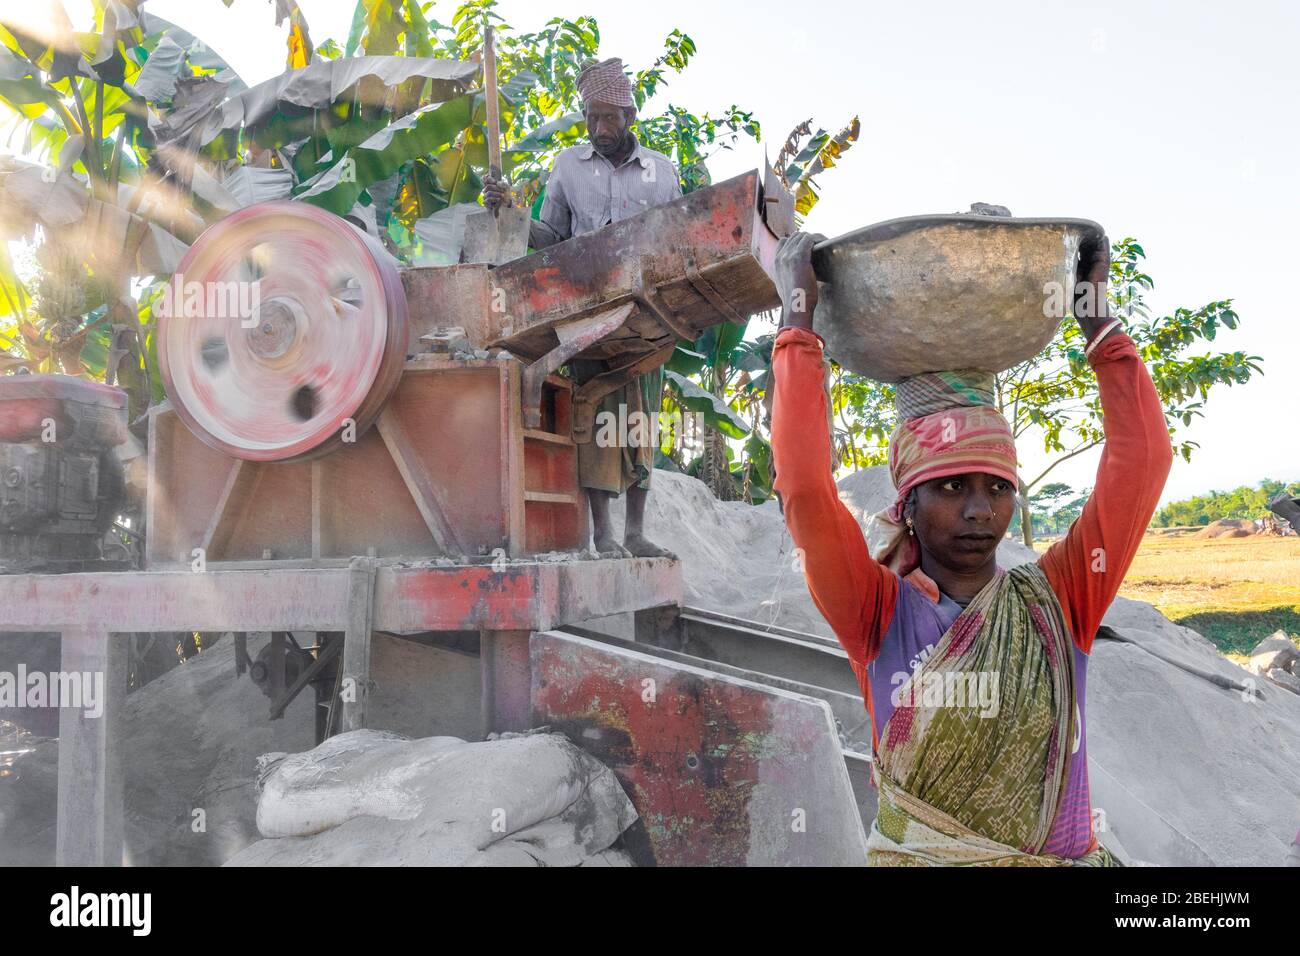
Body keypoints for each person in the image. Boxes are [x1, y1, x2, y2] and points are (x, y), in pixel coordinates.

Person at [769, 230, 1173, 866]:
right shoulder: (875, 612)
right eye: (952, 486)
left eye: (997, 487)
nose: (981, 509)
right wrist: (798, 322)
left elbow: (1142, 464)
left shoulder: (1061, 599)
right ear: (907, 503)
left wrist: (1099, 327)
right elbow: (803, 486)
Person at [483, 57, 678, 558]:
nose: (598, 128)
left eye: (608, 117)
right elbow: (551, 238)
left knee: (642, 422)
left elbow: (676, 241)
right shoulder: (568, 167)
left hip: (646, 317)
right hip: (589, 317)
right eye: (591, 116)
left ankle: (636, 532)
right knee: (594, 418)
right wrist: (511, 212)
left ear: (629, 116)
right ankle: (604, 535)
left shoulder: (662, 172)